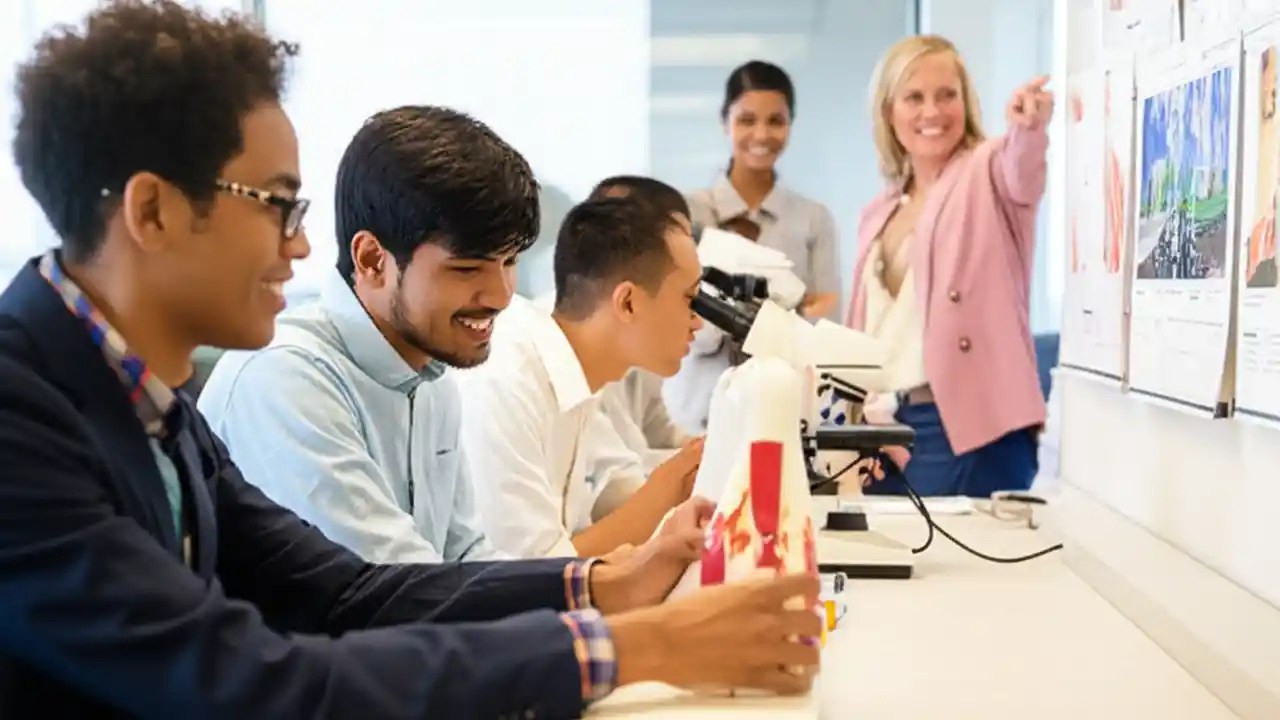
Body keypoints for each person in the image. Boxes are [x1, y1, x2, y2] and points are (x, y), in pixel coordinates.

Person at [0, 3, 822, 717]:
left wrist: (602, 588)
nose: (297, 244)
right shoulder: (21, 417)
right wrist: (632, 646)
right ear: (152, 211)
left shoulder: (157, 405)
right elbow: (243, 681)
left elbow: (351, 593)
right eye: (279, 206)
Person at [200, 105, 542, 564]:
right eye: (467, 269)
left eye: (510, 262)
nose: (501, 295)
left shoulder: (433, 379)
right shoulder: (285, 377)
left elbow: (466, 556)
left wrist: (601, 594)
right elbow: (392, 588)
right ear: (372, 260)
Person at [838, 34, 1053, 498]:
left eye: (946, 95)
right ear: (888, 112)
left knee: (957, 568)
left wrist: (1028, 130)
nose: (932, 112)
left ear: (966, 102)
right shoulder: (878, 211)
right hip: (881, 428)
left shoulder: (987, 170)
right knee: (889, 565)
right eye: (914, 97)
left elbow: (1023, 172)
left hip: (963, 424)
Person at [456, 196, 706, 559]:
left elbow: (614, 489)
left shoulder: (576, 373)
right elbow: (531, 575)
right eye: (690, 299)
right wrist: (670, 484)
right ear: (628, 303)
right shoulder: (506, 379)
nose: (698, 322)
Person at [664, 60, 840, 434]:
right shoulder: (686, 213)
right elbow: (670, 309)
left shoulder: (813, 219)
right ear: (724, 121)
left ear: (791, 125)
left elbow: (826, 314)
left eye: (776, 121)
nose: (761, 134)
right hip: (695, 416)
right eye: (746, 120)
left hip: (783, 415)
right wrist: (785, 309)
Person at [588, 175, 699, 472]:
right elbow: (621, 476)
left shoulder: (641, 340)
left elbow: (659, 436)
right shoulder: (577, 346)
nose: (697, 321)